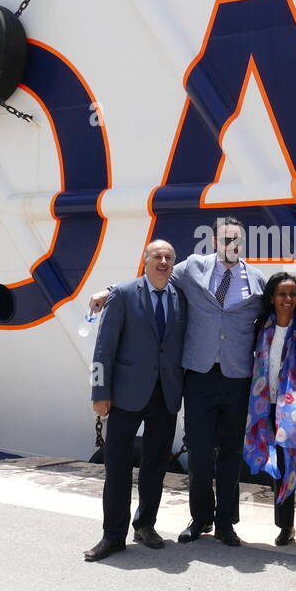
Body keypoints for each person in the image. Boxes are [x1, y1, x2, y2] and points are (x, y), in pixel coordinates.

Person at [89, 216, 265, 546]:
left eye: (236, 241)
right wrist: (110, 290)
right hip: (197, 376)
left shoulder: (256, 281)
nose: (231, 246)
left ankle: (226, 521)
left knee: (230, 452)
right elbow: (153, 277)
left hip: (237, 377)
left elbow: (278, 311)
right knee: (198, 452)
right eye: (225, 240)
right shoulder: (191, 268)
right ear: (214, 242)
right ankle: (200, 518)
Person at [85, 240, 188, 562]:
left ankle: (145, 525)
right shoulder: (125, 294)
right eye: (157, 256)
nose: (163, 261)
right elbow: (104, 347)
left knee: (155, 466)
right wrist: (100, 393)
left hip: (165, 395)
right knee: (116, 468)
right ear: (144, 261)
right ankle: (112, 536)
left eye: (168, 257)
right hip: (126, 395)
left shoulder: (180, 297)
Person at [242, 272, 296, 551]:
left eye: (292, 294)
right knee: (279, 471)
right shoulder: (261, 327)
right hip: (270, 411)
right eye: (281, 294)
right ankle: (285, 527)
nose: (287, 299)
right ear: (271, 298)